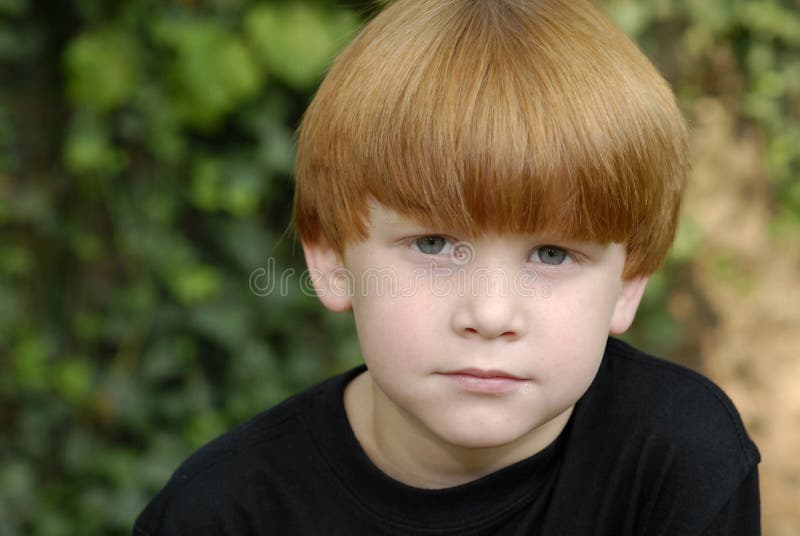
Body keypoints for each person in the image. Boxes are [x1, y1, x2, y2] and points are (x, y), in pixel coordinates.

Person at [133, 0, 761, 534]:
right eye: (433, 244)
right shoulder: (223, 515)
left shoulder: (677, 460)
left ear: (628, 283)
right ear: (330, 258)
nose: (489, 315)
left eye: (551, 254)